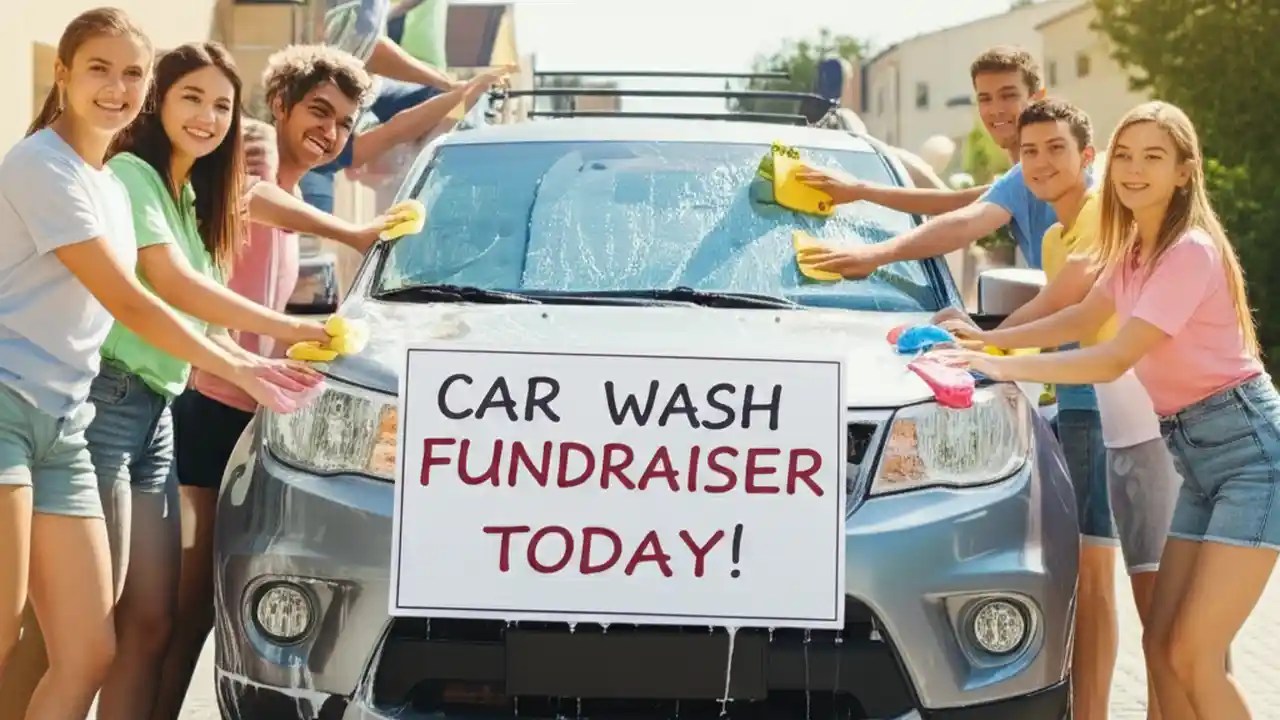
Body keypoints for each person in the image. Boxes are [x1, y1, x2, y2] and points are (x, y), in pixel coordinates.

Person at [0, 10, 319, 720]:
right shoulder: (52, 167)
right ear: (62, 74)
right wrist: (255, 362)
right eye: (99, 69)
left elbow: (175, 306)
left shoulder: (113, 185)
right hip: (25, 408)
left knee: (95, 648)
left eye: (132, 73)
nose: (117, 87)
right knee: (20, 638)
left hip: (75, 417)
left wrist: (265, 358)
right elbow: (141, 303)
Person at [935, 100, 1276, 720]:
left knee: (1194, 654)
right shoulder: (1135, 251)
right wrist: (985, 341)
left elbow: (1113, 355)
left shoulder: (1189, 252)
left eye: (1153, 157)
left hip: (1249, 455)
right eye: (1124, 155)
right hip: (1195, 455)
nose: (1133, 169)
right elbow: (1082, 318)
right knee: (1162, 647)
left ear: (1183, 171)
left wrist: (1004, 366)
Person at [150, 44, 387, 720]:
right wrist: (353, 230)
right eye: (319, 111)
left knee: (199, 614)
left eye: (344, 122)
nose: (331, 132)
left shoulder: (285, 187)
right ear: (278, 105)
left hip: (245, 413)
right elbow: (248, 196)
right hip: (203, 410)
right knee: (178, 612)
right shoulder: (250, 147)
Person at [941, 98, 1181, 719]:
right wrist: (980, 342)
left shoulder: (1111, 215)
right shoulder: (1050, 235)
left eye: (1056, 148)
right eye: (1029, 152)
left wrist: (981, 340)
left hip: (1145, 419)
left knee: (1163, 598)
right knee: (1092, 583)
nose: (1042, 162)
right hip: (1083, 408)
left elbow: (1064, 306)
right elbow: (1057, 318)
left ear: (1087, 157)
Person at [796, 45, 1045, 219]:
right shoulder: (1018, 177)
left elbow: (953, 210)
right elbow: (951, 205)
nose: (996, 110)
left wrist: (859, 190)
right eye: (985, 99)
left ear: (1037, 98)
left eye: (1009, 96)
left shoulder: (1045, 171)